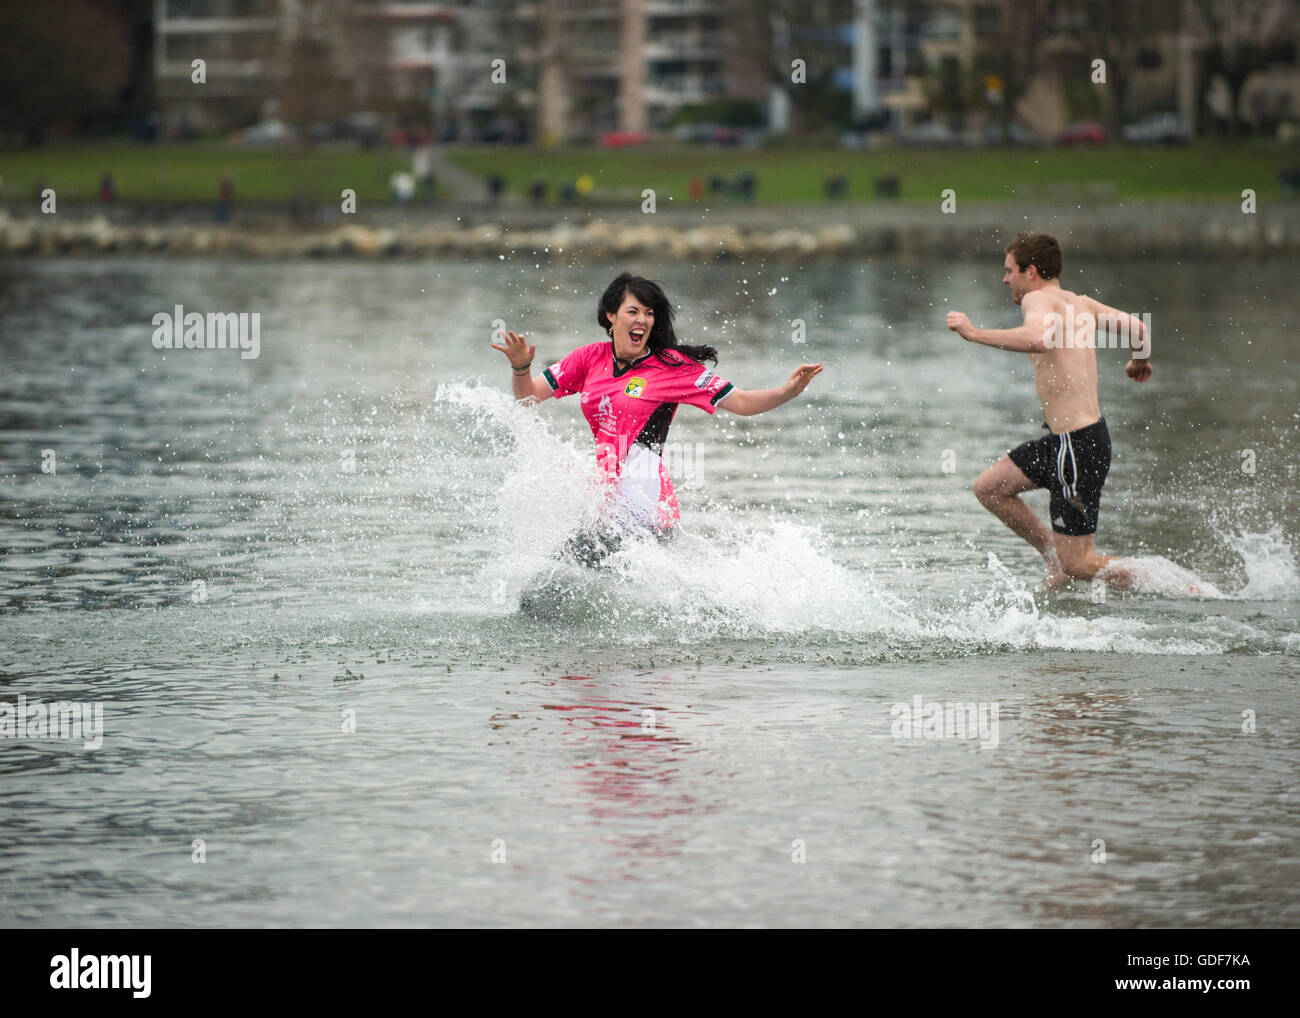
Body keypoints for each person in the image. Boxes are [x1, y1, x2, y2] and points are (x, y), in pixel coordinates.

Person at [492, 271, 823, 563]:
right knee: (562, 588)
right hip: (607, 501)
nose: (642, 320)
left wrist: (788, 391)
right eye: (633, 311)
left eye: (649, 314)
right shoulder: (589, 358)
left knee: (558, 582)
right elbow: (528, 400)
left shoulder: (672, 366)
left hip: (645, 502)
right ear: (611, 316)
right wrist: (521, 367)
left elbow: (741, 402)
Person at [946, 232, 1151, 589]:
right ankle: (1053, 558)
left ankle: (1169, 583)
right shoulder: (1079, 303)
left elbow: (1038, 340)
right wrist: (1138, 361)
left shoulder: (1037, 301)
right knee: (990, 488)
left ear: (1033, 272)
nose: (1005, 279)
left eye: (1010, 271)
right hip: (1070, 442)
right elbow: (1139, 329)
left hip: (1076, 447)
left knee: (1081, 563)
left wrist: (973, 333)